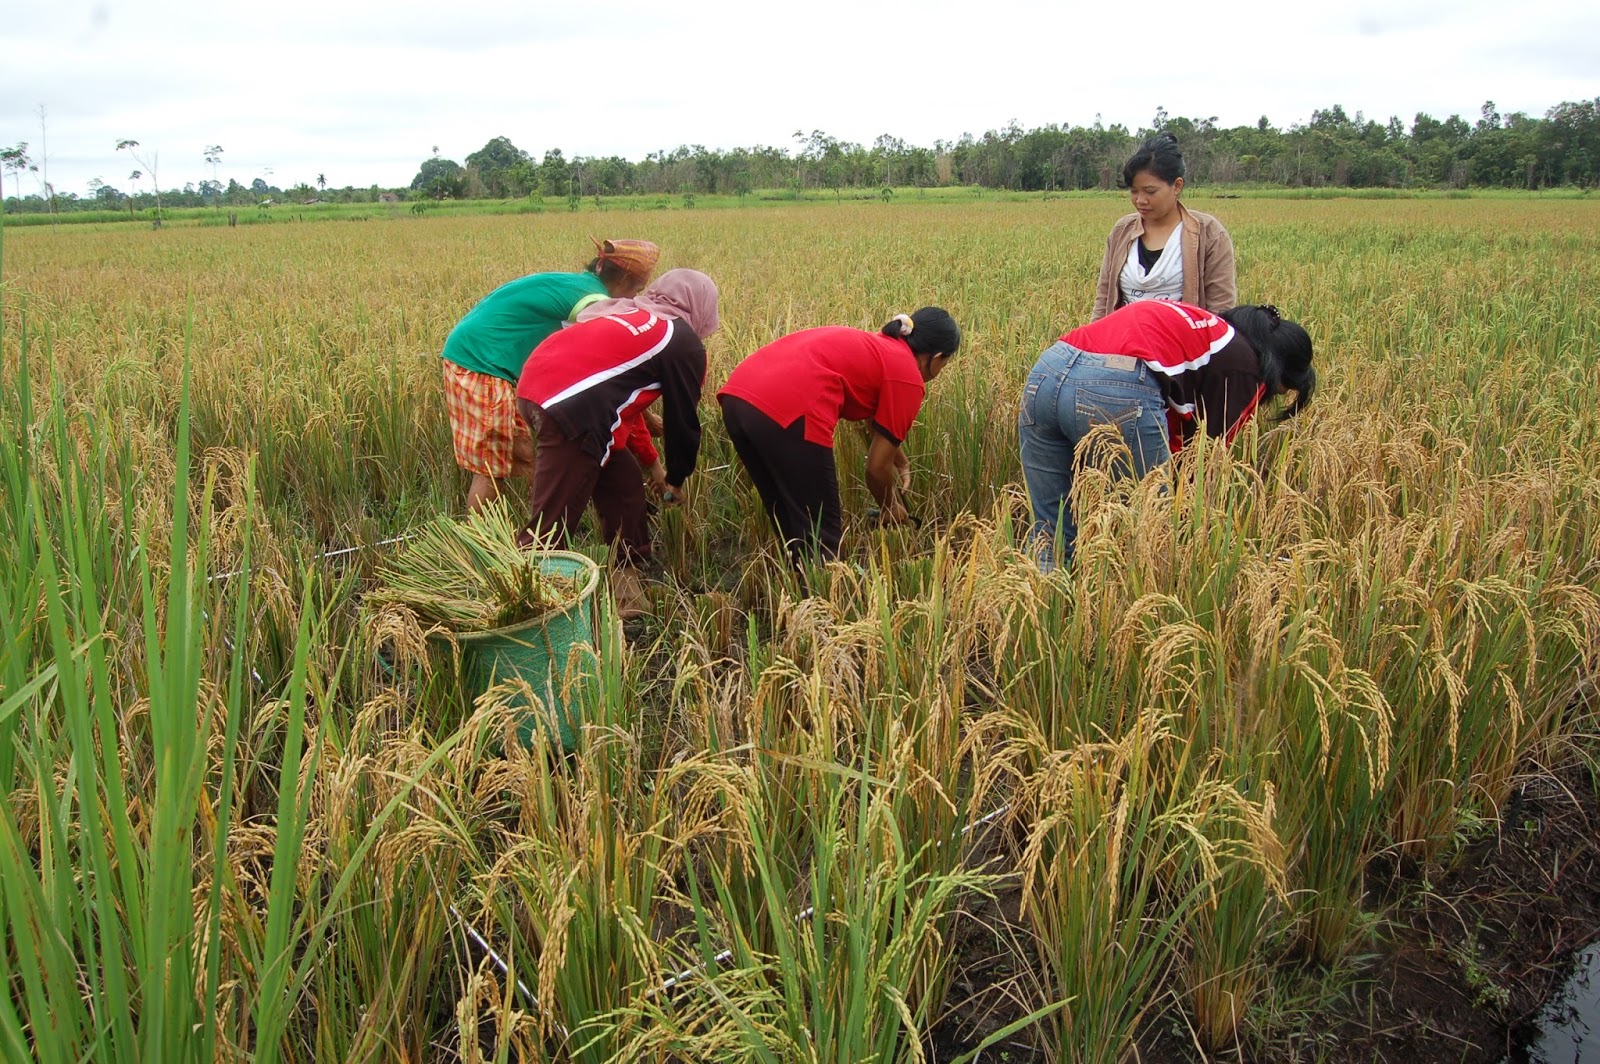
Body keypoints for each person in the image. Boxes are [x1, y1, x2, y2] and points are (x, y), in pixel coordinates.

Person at [1018, 300, 1314, 568]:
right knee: (1150, 534)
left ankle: (1047, 617)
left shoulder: (1202, 328)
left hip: (1046, 372)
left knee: (1050, 534)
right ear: (1280, 373)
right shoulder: (1247, 368)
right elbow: (1201, 460)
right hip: (1115, 384)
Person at [514, 269, 719, 618]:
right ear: (699, 306)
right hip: (571, 403)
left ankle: (627, 591)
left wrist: (653, 467)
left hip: (539, 384)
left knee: (624, 485)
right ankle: (525, 607)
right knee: (553, 518)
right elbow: (681, 421)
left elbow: (620, 407)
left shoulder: (629, 313)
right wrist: (677, 478)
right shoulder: (680, 339)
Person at [717, 308, 961, 571]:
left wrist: (900, 461)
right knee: (822, 534)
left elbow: (876, 423)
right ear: (937, 358)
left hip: (739, 398)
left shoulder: (883, 346)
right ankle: (821, 604)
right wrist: (889, 504)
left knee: (792, 520)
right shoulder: (909, 376)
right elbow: (876, 469)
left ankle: (799, 600)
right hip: (789, 411)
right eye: (944, 365)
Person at [440, 238, 661, 513]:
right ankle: (476, 547)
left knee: (516, 455)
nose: (633, 300)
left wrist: (649, 421)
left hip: (478, 356)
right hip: (480, 362)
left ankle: (527, 529)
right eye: (637, 290)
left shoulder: (580, 286)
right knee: (490, 468)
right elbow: (612, 383)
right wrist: (649, 437)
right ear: (626, 278)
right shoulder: (594, 304)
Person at [1092, 134, 1236, 320]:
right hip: (1124, 345)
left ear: (1176, 186)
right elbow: (1104, 298)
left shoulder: (1209, 234)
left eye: (1150, 191)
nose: (1140, 200)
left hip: (1185, 345)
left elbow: (1221, 308)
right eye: (1134, 191)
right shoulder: (1122, 231)